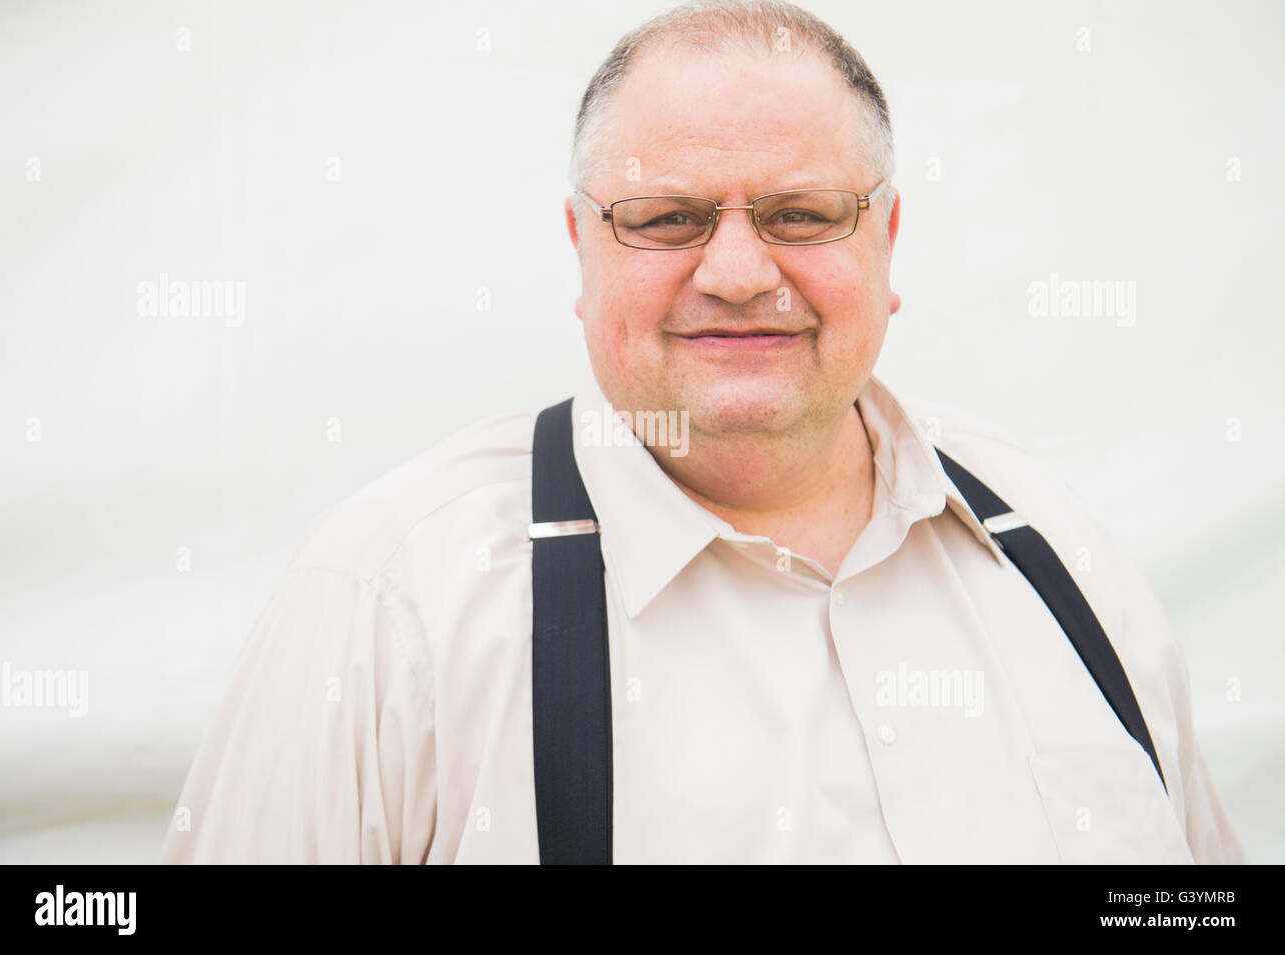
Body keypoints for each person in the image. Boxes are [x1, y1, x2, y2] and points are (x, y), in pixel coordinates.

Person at [162, 0, 1244, 864]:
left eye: (801, 213)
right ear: (581, 247)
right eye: (668, 218)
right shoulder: (389, 602)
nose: (734, 272)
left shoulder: (1055, 548)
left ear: (887, 239)